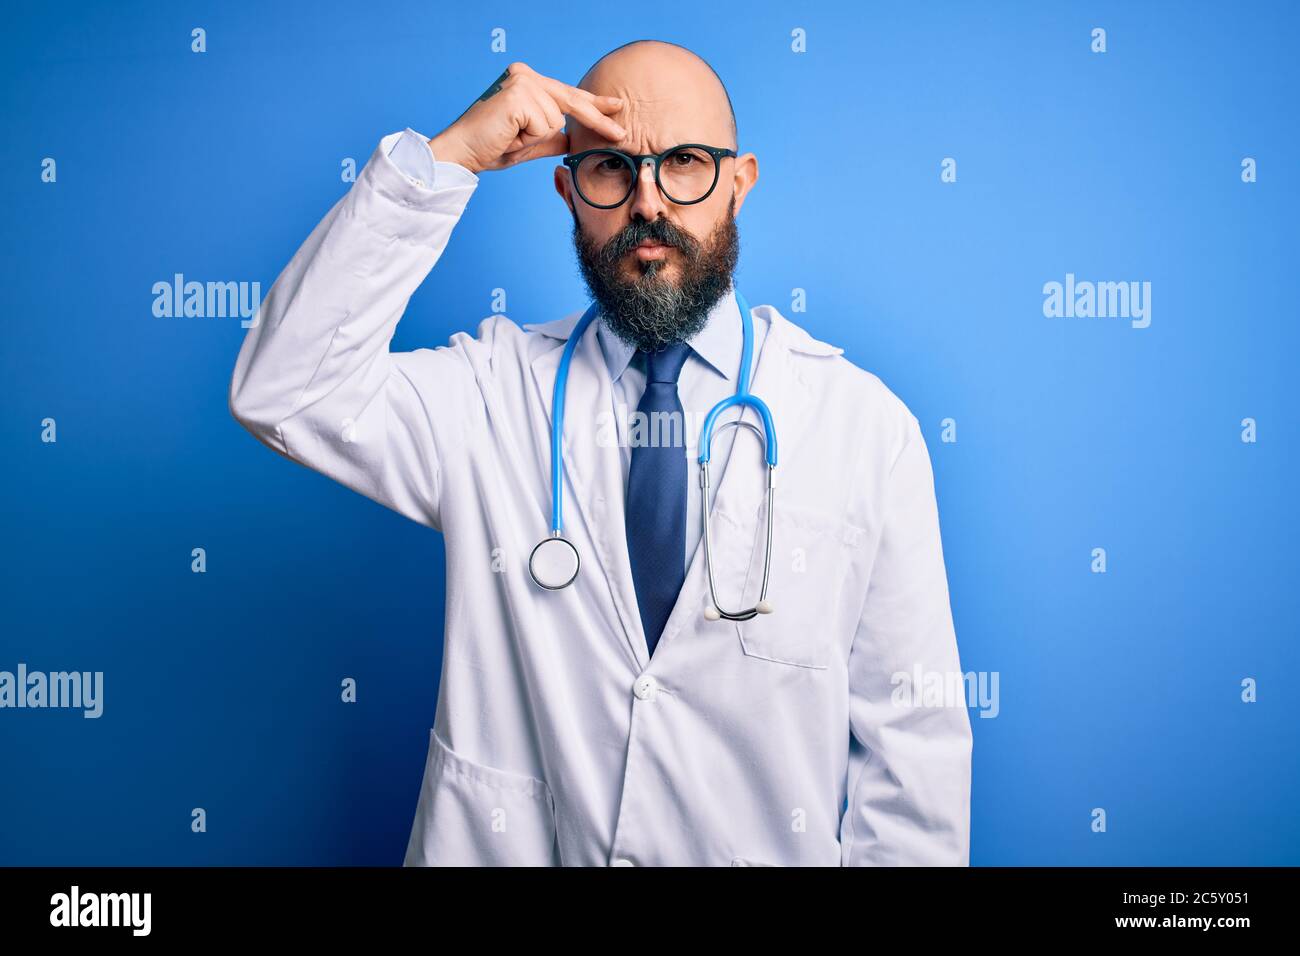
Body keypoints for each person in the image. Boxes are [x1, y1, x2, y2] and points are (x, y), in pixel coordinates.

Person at [229, 39, 973, 867]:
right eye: (612, 169)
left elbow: (914, 757)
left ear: (740, 179)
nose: (648, 203)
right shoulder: (492, 392)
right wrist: (450, 159)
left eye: (685, 163)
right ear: (566, 188)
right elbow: (284, 391)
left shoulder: (864, 428)